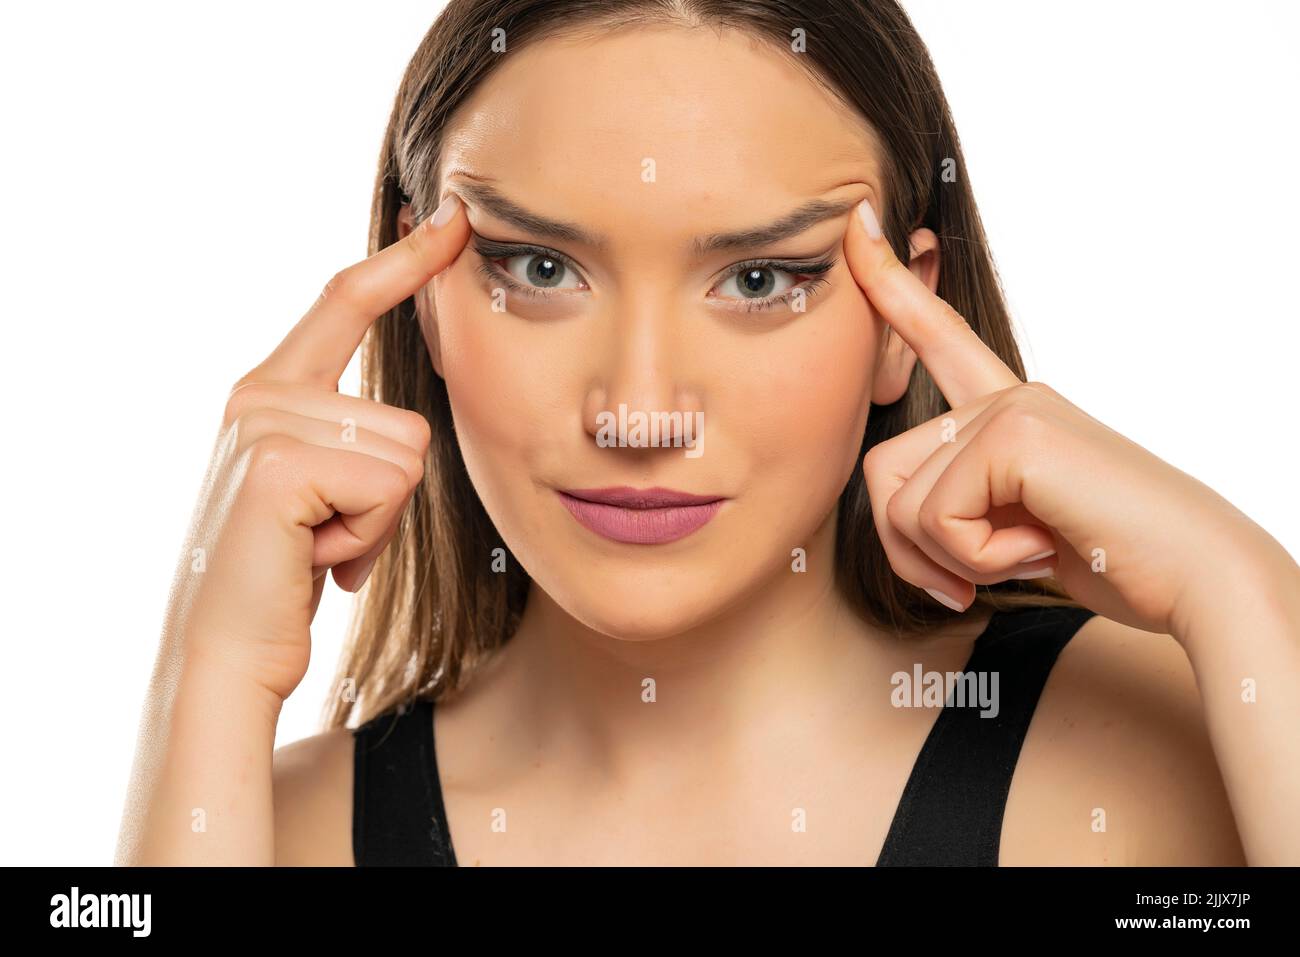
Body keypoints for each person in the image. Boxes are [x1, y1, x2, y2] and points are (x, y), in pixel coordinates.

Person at [115, 0, 1299, 867]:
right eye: (538, 267)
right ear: (415, 292)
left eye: (757, 280)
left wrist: (1240, 590)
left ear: (906, 320)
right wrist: (209, 675)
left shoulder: (1186, 742)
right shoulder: (277, 832)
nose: (638, 412)